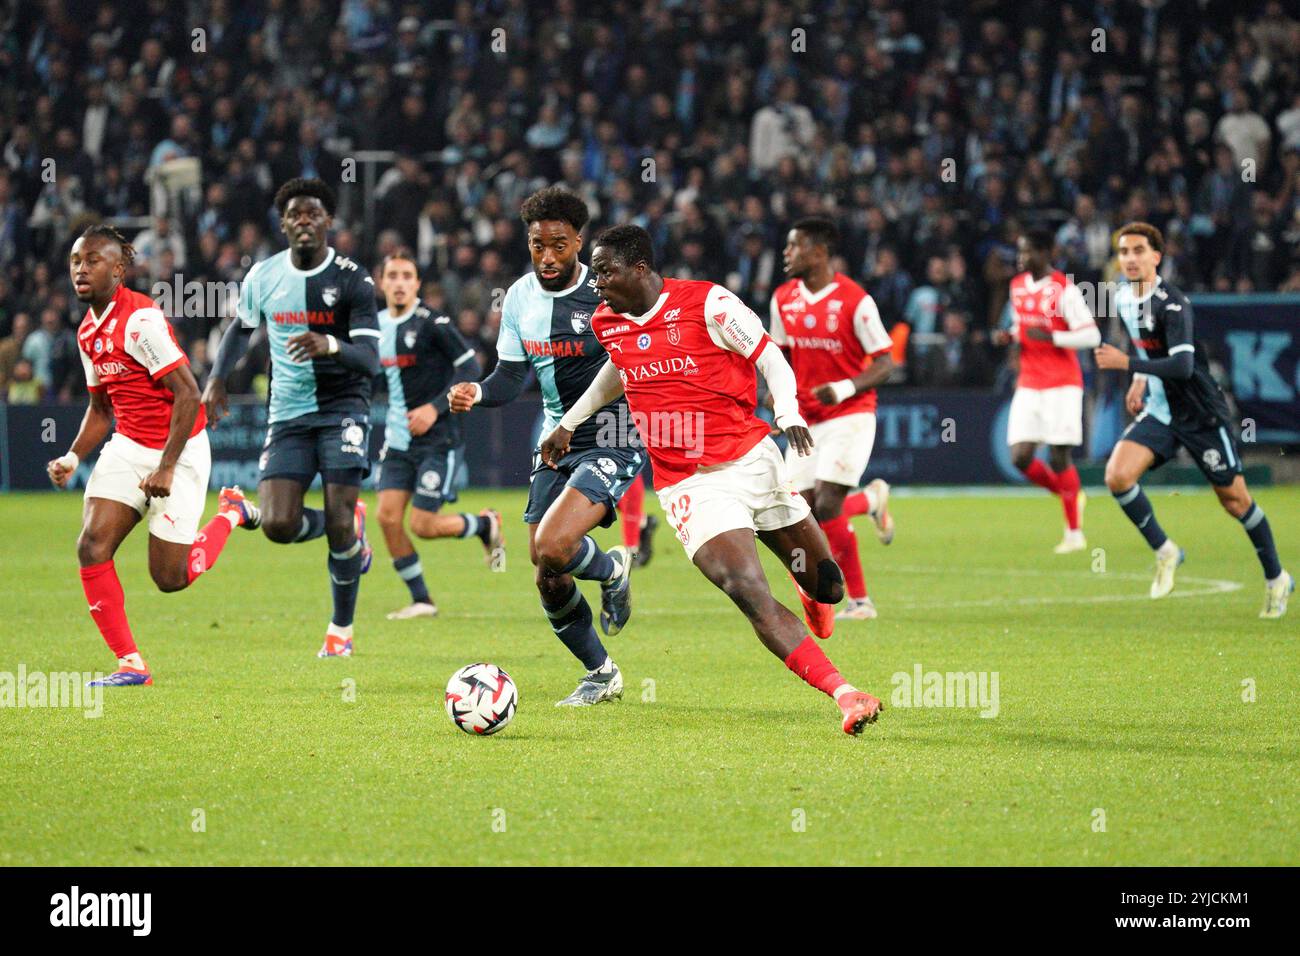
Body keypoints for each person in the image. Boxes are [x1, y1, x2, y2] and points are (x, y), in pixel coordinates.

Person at [541, 224, 884, 735]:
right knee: (746, 587)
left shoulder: (709, 304)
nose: (597, 283)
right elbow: (620, 367)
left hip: (752, 459)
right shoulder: (607, 320)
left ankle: (811, 593)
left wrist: (788, 412)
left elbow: (769, 356)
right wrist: (569, 422)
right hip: (690, 485)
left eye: (606, 271)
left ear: (640, 269)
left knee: (828, 587)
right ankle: (846, 693)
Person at [448, 187, 640, 707]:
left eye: (558, 244)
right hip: (555, 437)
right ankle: (602, 672)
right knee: (546, 572)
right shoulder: (518, 298)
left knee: (554, 545)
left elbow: (627, 369)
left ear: (579, 240)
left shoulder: (607, 293)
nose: (547, 257)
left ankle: (612, 568)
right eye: (537, 246)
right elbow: (511, 375)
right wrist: (479, 391)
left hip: (613, 432)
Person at [46, 225, 258, 686]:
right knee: (91, 545)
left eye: (93, 261)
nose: (81, 269)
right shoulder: (87, 331)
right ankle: (131, 664)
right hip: (128, 447)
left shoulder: (140, 320)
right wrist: (73, 456)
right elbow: (101, 409)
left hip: (178, 450)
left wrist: (166, 465)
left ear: (119, 270)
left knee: (170, 578)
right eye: (76, 261)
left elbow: (188, 393)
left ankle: (232, 514)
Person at [202, 178, 382, 657]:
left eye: (313, 214)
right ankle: (350, 527)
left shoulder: (353, 279)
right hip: (287, 412)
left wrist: (331, 344)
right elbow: (240, 331)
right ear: (283, 224)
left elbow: (370, 359)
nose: (304, 221)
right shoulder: (262, 276)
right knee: (278, 524)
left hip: (343, 406)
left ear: (328, 222)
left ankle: (340, 632)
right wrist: (218, 378)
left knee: (339, 522)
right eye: (295, 215)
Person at [1096, 222, 1291, 617]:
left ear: (1156, 257)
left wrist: (1126, 364)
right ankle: (1166, 551)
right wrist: (1140, 376)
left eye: (1138, 251)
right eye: (1124, 252)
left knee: (1235, 502)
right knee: (1117, 475)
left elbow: (1184, 366)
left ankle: (1276, 578)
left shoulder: (1173, 304)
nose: (1130, 259)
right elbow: (1147, 348)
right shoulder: (1121, 296)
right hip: (1162, 412)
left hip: (1200, 414)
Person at [770, 217, 896, 621]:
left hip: (851, 413)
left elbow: (885, 362)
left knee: (826, 502)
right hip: (805, 419)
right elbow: (781, 356)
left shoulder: (856, 300)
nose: (787, 254)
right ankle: (871, 500)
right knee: (800, 511)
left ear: (820, 252)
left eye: (795, 246)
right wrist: (779, 397)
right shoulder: (782, 298)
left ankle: (860, 601)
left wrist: (843, 388)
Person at [373, 248, 502, 620]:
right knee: (387, 518)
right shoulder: (376, 325)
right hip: (398, 441)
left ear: (416, 284)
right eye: (392, 276)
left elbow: (471, 367)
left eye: (406, 276)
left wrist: (435, 407)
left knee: (423, 525)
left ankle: (484, 524)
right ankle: (422, 600)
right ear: (382, 283)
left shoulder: (433, 322)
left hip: (438, 439)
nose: (399, 283)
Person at [997, 228, 1100, 553]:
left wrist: (1054, 338)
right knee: (1020, 456)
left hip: (1062, 383)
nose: (1021, 258)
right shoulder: (1016, 287)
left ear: (1045, 253)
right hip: (1029, 380)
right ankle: (1071, 494)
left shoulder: (1064, 290)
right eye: (1020, 252)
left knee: (1058, 455)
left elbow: (1091, 336)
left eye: (1027, 251)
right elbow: (1022, 326)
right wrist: (1011, 336)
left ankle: (1074, 533)